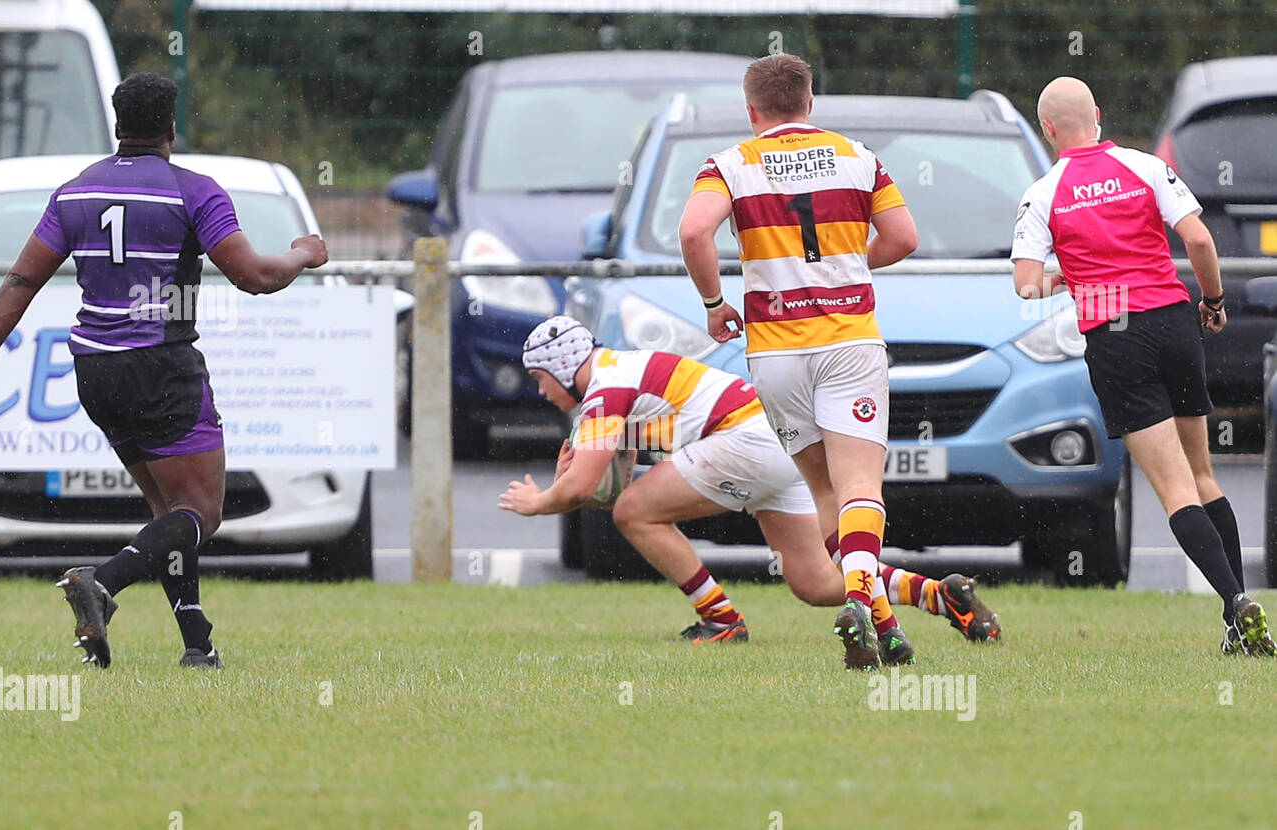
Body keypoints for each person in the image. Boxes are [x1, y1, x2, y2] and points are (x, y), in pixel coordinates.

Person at [0, 72, 328, 670]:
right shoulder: (193, 191)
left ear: (118, 125)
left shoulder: (74, 193)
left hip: (94, 371)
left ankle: (198, 645)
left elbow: (20, 281)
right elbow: (253, 276)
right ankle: (101, 581)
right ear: (171, 127)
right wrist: (304, 253)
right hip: (160, 368)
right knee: (201, 513)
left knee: (169, 515)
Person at [498, 317, 1001, 648]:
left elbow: (589, 492)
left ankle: (720, 620)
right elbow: (611, 482)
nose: (541, 391)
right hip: (769, 441)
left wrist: (537, 500)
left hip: (743, 440)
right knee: (814, 581)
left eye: (540, 378)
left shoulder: (605, 391)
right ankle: (939, 595)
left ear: (561, 366)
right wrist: (590, 479)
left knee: (636, 512)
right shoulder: (616, 374)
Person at [1011, 76, 1272, 657]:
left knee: (1173, 487)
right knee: (1204, 476)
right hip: (1174, 321)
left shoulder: (1042, 193)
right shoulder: (1145, 166)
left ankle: (1235, 604)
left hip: (1115, 337)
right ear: (1098, 115)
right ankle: (1241, 617)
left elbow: (1027, 287)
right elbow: (1200, 241)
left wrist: (1071, 277)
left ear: (1047, 130)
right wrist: (1215, 301)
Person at [677, 53, 920, 669]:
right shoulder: (857, 156)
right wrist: (852, 264)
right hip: (848, 343)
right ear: (810, 104)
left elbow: (693, 233)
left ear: (752, 110)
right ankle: (865, 603)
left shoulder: (728, 165)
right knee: (861, 486)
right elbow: (904, 238)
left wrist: (713, 303)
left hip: (777, 351)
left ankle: (883, 623)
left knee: (822, 489)